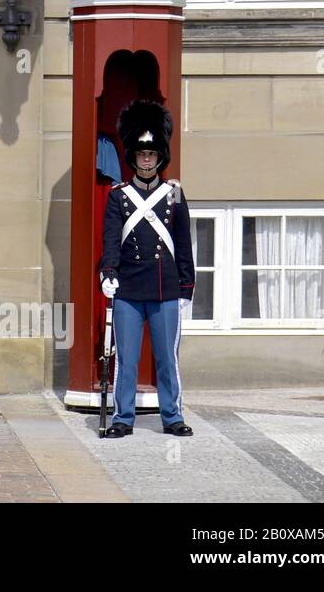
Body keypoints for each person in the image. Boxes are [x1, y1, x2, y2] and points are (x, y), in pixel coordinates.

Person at [98, 99, 195, 438]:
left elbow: (183, 244)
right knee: (126, 359)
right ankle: (123, 418)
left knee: (167, 360)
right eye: (141, 155)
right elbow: (110, 238)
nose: (147, 159)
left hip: (165, 289)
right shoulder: (119, 196)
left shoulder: (174, 195)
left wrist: (186, 287)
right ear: (134, 158)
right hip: (127, 288)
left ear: (159, 158)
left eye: (152, 155)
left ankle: (172, 416)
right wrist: (107, 272)